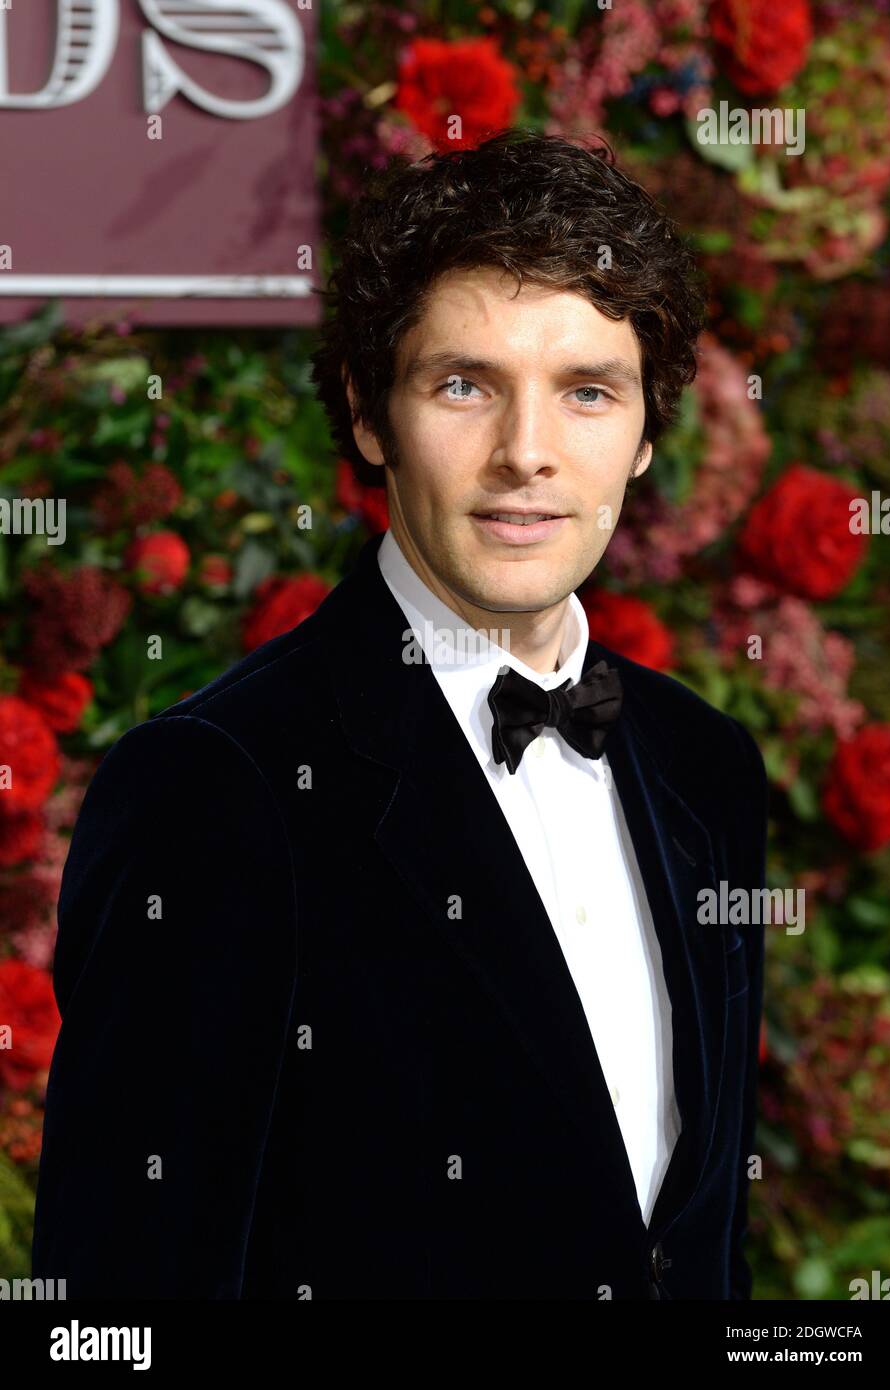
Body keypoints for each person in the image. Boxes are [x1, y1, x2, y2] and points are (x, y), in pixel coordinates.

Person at [32, 130, 767, 1300]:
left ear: (642, 435)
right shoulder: (214, 786)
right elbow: (125, 1295)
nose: (527, 454)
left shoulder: (707, 764)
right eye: (465, 385)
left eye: (587, 392)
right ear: (371, 416)